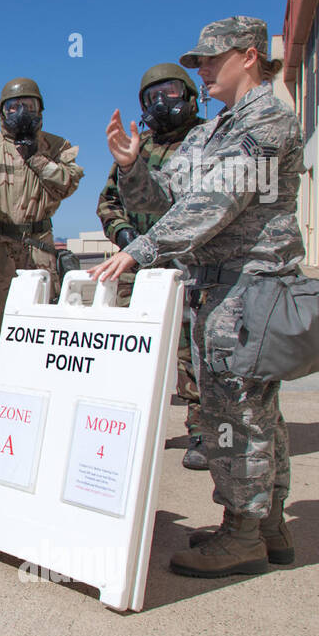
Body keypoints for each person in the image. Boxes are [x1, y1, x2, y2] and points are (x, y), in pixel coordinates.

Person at [91, 16, 303, 578]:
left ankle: (243, 534)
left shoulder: (267, 123)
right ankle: (267, 525)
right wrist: (133, 165)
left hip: (251, 288)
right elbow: (168, 195)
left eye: (211, 59)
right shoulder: (216, 130)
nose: (202, 70)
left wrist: (143, 249)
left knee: (238, 412)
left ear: (250, 56)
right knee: (252, 409)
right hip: (221, 290)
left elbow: (216, 200)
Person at [96, 63, 208, 470]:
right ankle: (132, 429)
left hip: (187, 266)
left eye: (171, 93)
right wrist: (125, 236)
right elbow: (108, 202)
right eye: (151, 96)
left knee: (191, 350)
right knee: (130, 352)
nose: (162, 102)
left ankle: (203, 430)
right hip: (136, 268)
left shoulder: (207, 142)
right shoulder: (135, 147)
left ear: (191, 96)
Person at [0, 78, 84, 421]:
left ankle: (38, 393)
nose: (20, 113)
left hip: (38, 246)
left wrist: (36, 156)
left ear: (40, 110)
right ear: (1, 111)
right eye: (12, 107)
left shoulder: (58, 146)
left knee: (40, 322)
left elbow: (66, 184)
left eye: (28, 107)